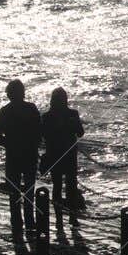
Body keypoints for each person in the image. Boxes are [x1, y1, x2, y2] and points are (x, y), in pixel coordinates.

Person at [0, 79, 42, 253]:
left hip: (13, 156)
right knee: (29, 189)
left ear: (9, 94)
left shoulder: (5, 111)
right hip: (29, 154)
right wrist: (33, 144)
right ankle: (30, 222)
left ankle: (17, 222)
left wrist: (9, 144)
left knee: (14, 191)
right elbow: (39, 131)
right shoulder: (31, 108)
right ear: (22, 92)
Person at [41, 88, 86, 216]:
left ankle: (59, 218)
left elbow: (42, 135)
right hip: (68, 155)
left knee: (58, 186)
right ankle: (72, 216)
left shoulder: (47, 116)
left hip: (55, 154)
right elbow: (80, 133)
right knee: (70, 185)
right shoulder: (72, 114)